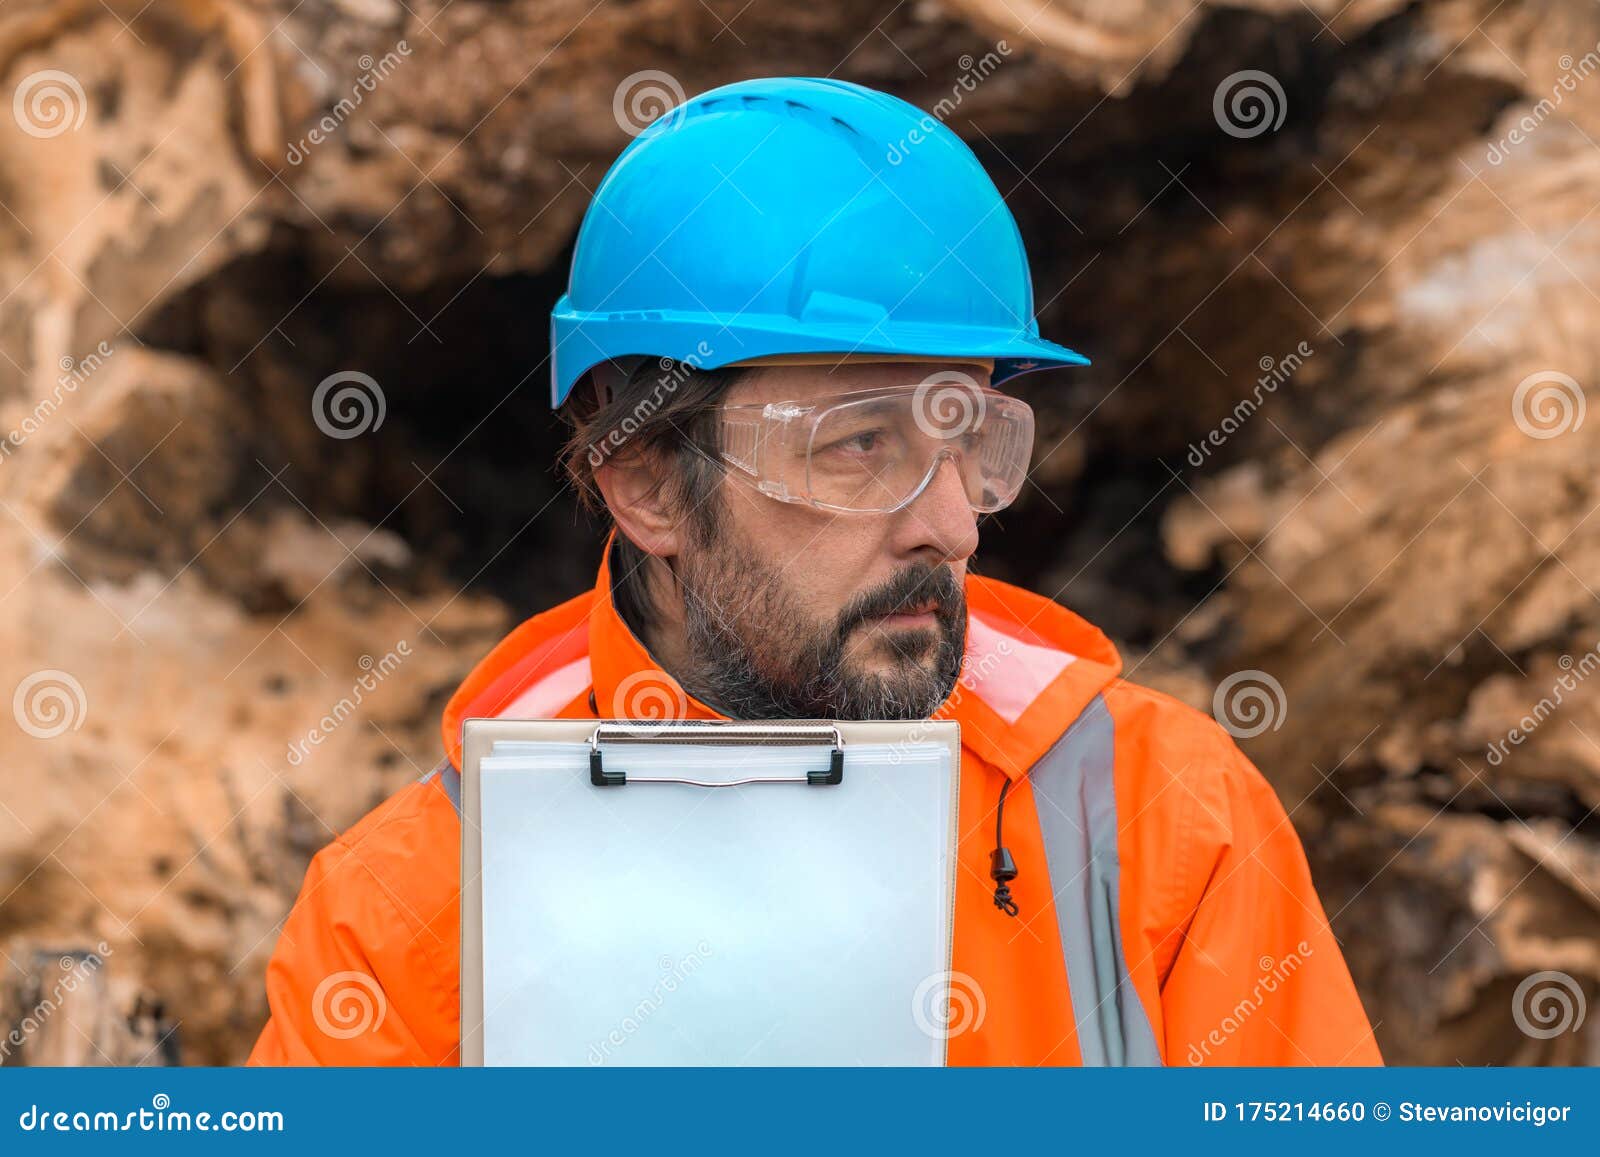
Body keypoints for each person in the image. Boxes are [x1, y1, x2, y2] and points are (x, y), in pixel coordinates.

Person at [248, 76, 1380, 1066]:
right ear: (645, 482)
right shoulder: (409, 912)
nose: (952, 526)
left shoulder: (1159, 821)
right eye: (859, 443)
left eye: (967, 439)